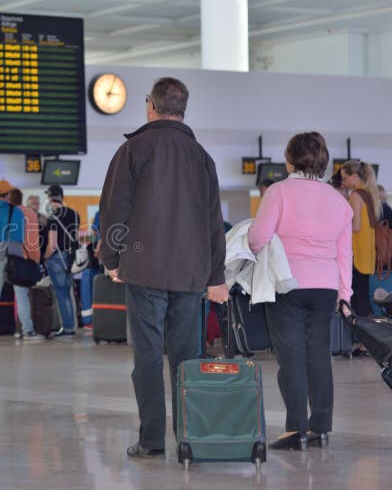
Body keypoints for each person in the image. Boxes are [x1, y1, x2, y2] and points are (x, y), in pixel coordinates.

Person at [99, 77, 228, 459]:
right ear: (183, 109)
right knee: (187, 360)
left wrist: (112, 259)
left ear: (150, 106)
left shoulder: (134, 149)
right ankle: (188, 438)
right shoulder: (201, 155)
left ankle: (152, 440)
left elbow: (114, 211)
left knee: (149, 357)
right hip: (190, 274)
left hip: (144, 271)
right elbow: (212, 221)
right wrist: (216, 276)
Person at [248, 132, 353, 451]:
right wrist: (345, 294)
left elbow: (258, 237)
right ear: (322, 162)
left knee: (291, 354)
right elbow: (344, 252)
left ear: (290, 160)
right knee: (319, 353)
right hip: (325, 286)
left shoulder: (279, 192)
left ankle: (297, 430)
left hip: (287, 283)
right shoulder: (338, 199)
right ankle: (321, 427)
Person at [0, 180, 40, 341]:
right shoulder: (18, 213)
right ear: (7, 195)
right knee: (21, 295)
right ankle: (28, 331)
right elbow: (21, 237)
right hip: (16, 257)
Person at [341, 160, 382, 356]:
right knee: (362, 298)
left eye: (344, 177)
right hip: (367, 254)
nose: (343, 181)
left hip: (356, 253)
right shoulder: (370, 195)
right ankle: (371, 342)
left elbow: (355, 226)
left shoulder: (356, 195)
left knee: (359, 301)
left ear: (355, 176)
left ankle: (368, 343)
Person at [44, 184, 81, 338]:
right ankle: (72, 324)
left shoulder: (52, 218)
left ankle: (67, 328)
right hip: (71, 257)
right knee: (69, 292)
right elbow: (75, 237)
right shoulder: (75, 214)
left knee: (62, 293)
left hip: (57, 258)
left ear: (50, 197)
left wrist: (45, 257)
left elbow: (52, 245)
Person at [27, 194, 50, 263]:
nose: (36, 206)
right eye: (34, 204)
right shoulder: (23, 218)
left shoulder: (44, 219)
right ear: (28, 205)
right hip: (27, 255)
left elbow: (49, 237)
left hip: (41, 255)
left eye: (38, 203)